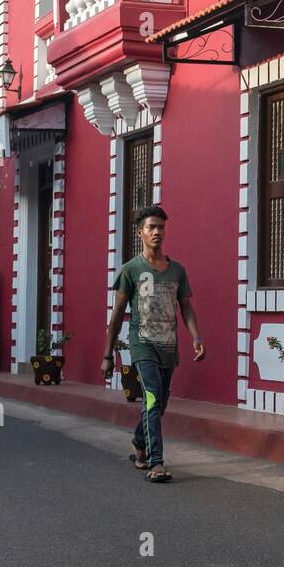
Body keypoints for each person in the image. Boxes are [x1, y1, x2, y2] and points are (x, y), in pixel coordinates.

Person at [103, 204, 204, 482]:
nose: (157, 231)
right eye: (151, 227)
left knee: (160, 404)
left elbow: (186, 306)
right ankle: (156, 462)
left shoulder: (177, 271)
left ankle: (139, 442)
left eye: (161, 227)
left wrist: (195, 336)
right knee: (151, 398)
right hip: (142, 343)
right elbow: (117, 315)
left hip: (168, 347)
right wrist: (107, 355)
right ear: (140, 233)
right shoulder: (130, 270)